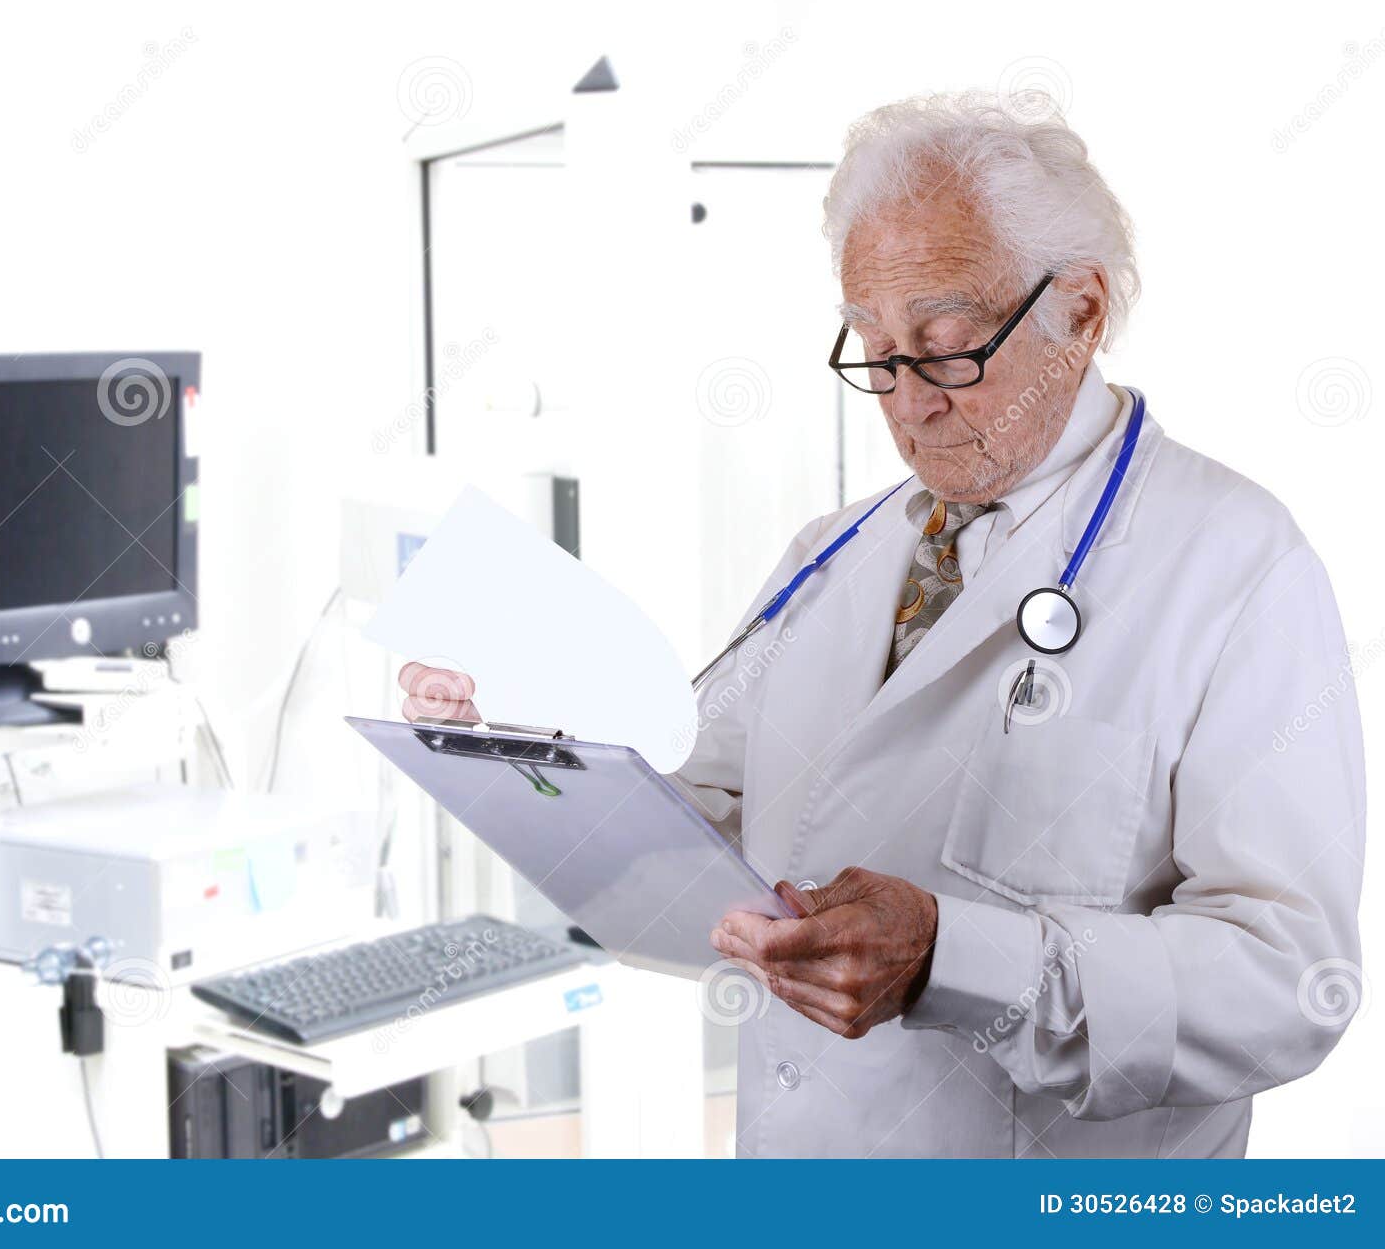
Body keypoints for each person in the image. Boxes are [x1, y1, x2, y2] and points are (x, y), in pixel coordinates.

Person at [398, 92, 1365, 1158]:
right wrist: (528, 754)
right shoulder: (834, 549)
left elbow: (1288, 982)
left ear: (1080, 312)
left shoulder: (1235, 563)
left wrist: (958, 958)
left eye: (947, 347)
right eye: (875, 350)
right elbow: (703, 812)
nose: (906, 401)